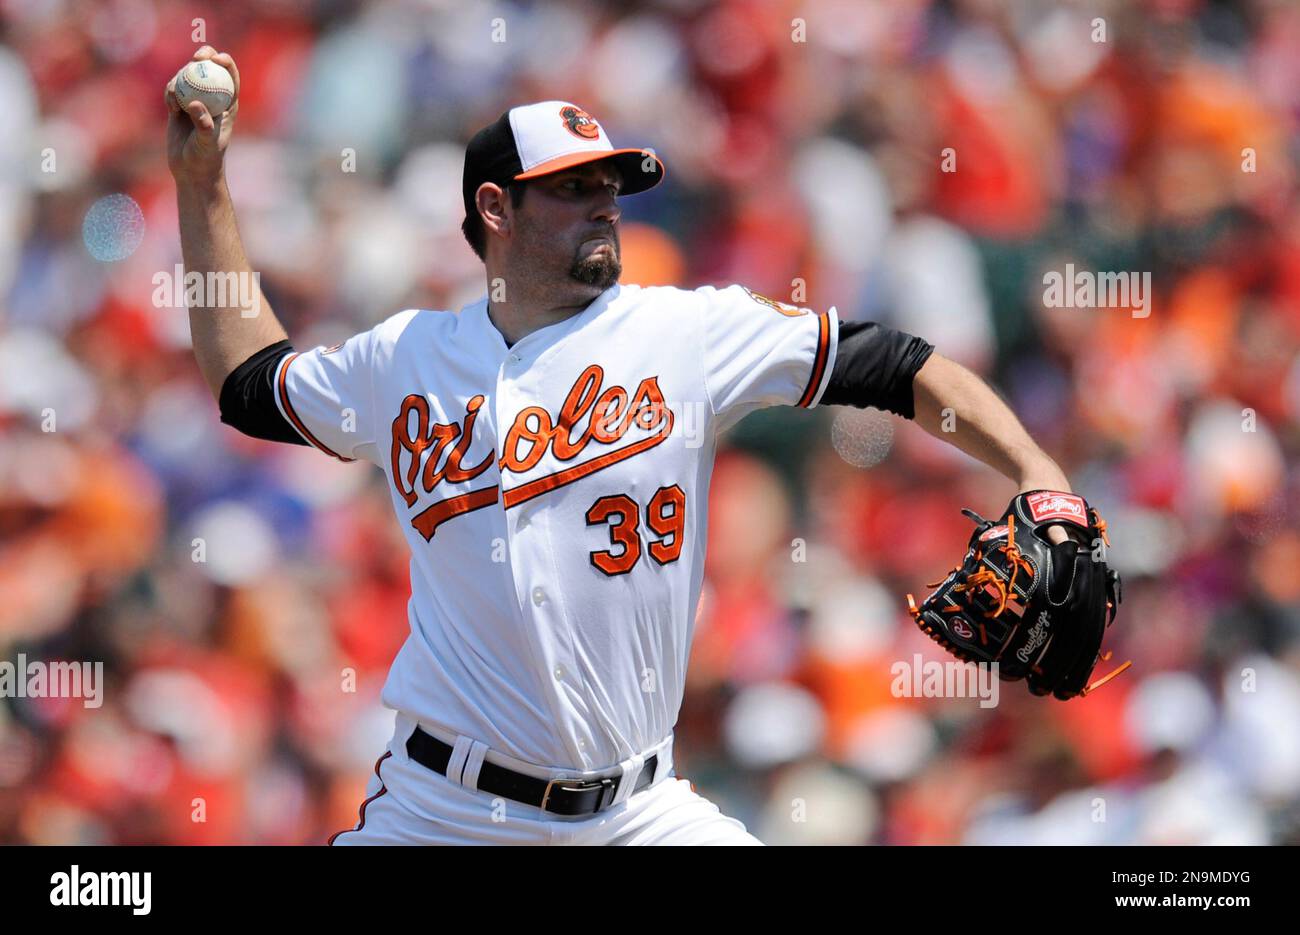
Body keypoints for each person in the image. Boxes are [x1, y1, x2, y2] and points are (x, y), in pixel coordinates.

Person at [168, 47, 1075, 845]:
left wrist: (1038, 473)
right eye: (574, 189)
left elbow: (892, 363)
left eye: (610, 187)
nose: (605, 206)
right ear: (496, 207)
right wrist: (203, 185)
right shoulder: (405, 356)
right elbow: (248, 383)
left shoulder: (685, 331)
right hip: (443, 811)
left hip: (637, 813)